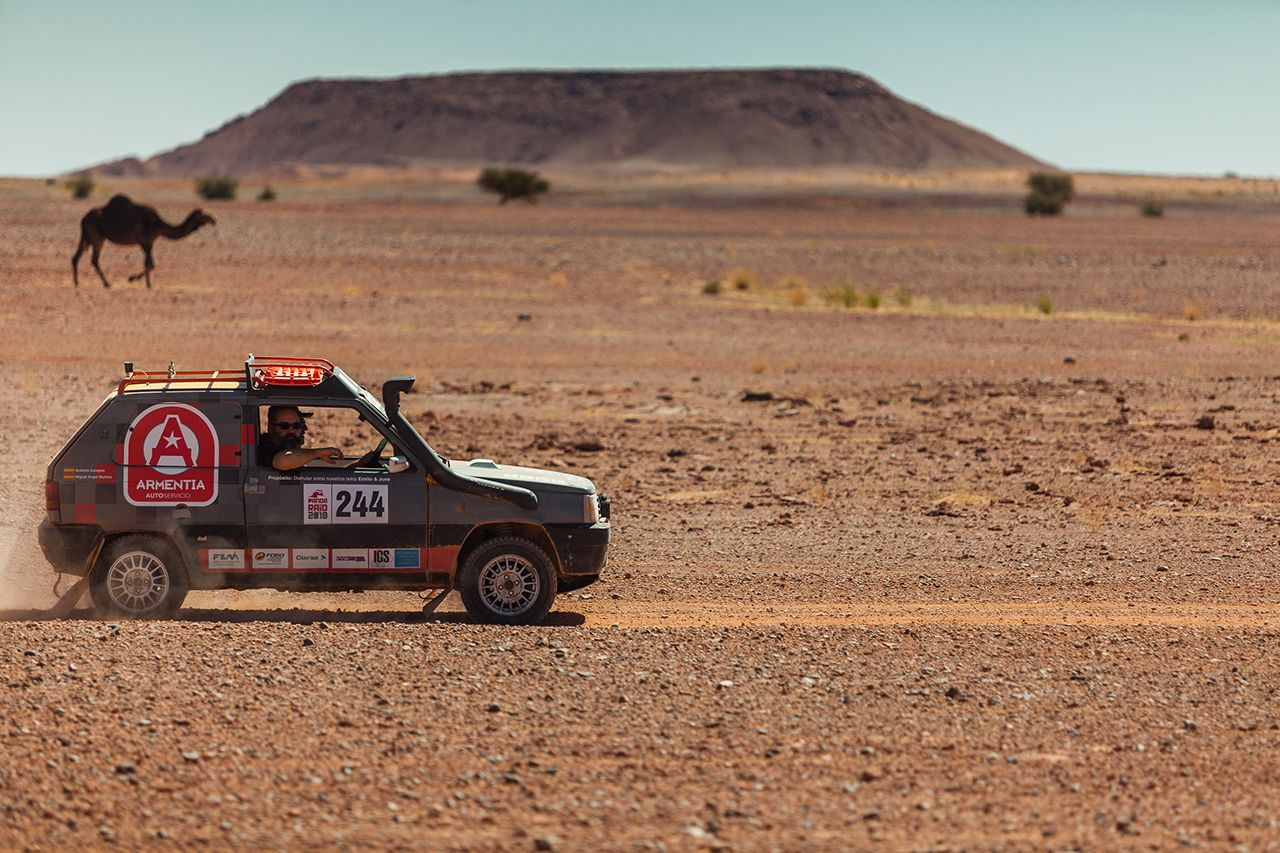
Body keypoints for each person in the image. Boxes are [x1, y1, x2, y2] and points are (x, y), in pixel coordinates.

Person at [258, 405, 344, 471]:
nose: (291, 431)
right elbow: (283, 461)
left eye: (296, 426)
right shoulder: (264, 445)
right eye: (285, 426)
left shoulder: (293, 451)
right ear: (271, 428)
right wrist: (318, 453)